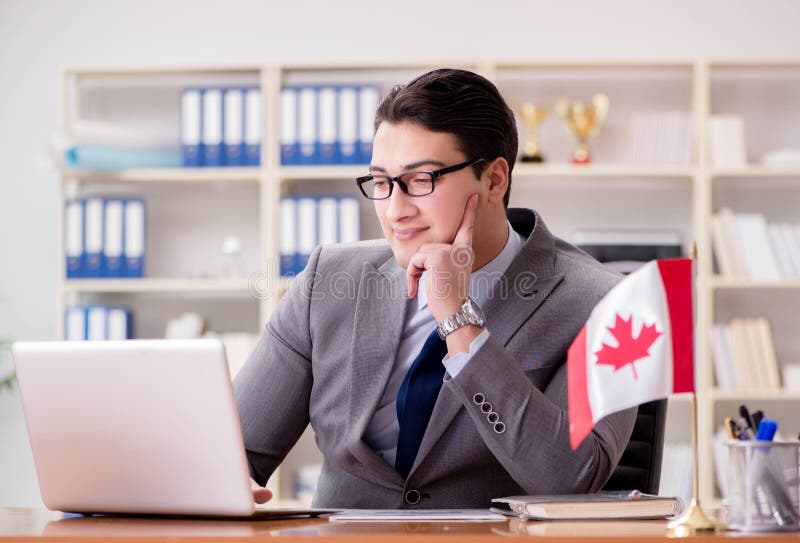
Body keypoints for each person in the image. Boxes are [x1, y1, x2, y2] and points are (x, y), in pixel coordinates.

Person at [234, 68, 636, 509]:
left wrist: (458, 319)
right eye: (382, 183)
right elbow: (236, 452)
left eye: (421, 180)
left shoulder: (605, 302)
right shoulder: (327, 280)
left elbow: (571, 478)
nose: (395, 210)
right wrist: (227, 481)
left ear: (494, 179)